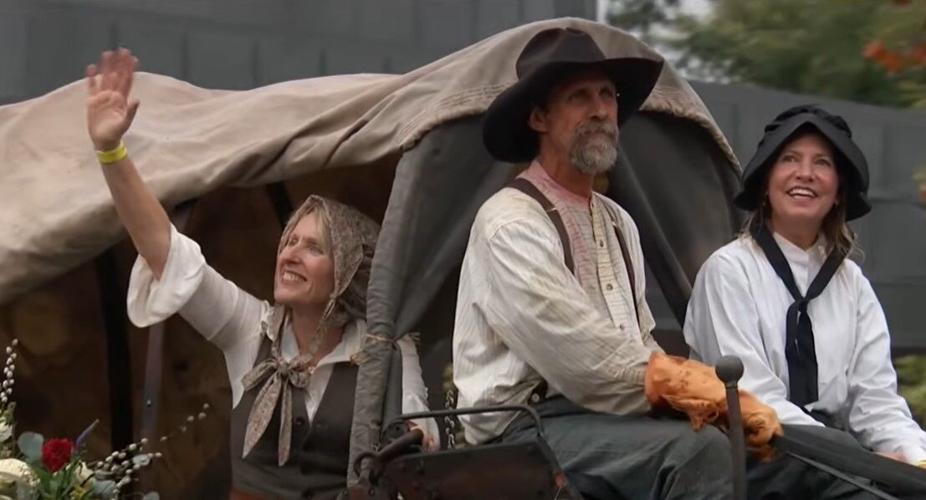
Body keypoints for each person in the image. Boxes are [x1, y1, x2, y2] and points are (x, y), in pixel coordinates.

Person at [84, 48, 436, 500]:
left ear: (347, 271)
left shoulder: (385, 350)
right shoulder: (250, 333)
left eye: (313, 248)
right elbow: (167, 254)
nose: (290, 254)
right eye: (289, 241)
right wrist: (110, 151)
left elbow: (420, 434)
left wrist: (416, 436)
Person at [452, 27, 777, 500]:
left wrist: (709, 403)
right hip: (524, 431)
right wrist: (687, 384)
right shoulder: (508, 222)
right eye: (579, 97)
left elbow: (635, 339)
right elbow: (580, 354)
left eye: (607, 95)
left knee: (763, 456)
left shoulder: (617, 220)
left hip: (603, 419)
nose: (602, 110)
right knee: (697, 453)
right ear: (539, 118)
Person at [684, 104, 926, 497]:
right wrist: (862, 464)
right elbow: (753, 403)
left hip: (838, 463)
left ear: (837, 192)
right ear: (765, 182)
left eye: (822, 163)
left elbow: (876, 402)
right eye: (790, 159)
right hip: (753, 462)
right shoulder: (728, 272)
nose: (805, 173)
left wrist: (915, 460)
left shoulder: (853, 286)